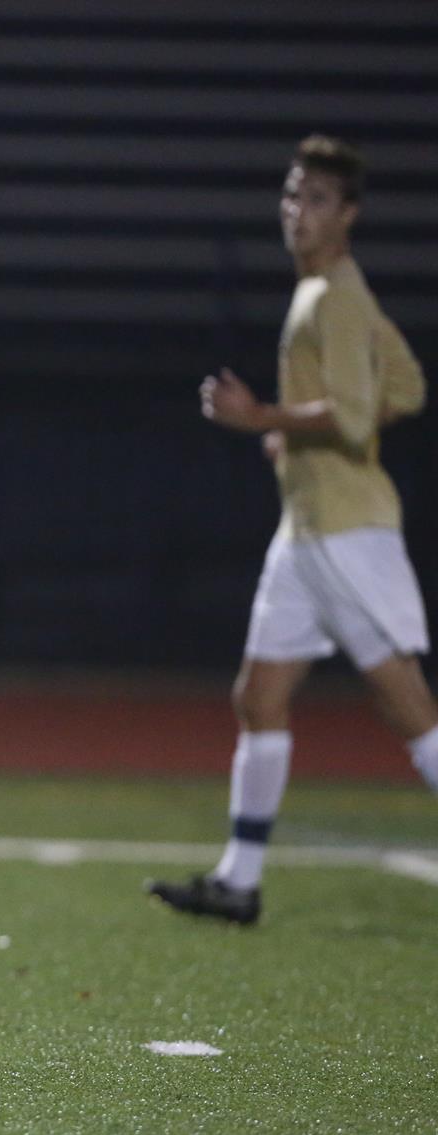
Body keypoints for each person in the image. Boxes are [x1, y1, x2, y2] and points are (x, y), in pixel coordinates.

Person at [149, 136, 431, 925]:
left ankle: (239, 879)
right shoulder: (333, 293)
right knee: (259, 695)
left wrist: (263, 418)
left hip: (345, 532)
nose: (296, 212)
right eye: (291, 195)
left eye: (315, 199)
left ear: (348, 215)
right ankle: (239, 881)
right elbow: (406, 386)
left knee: (410, 711)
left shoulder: (334, 297)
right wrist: (296, 434)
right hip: (304, 535)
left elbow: (352, 414)